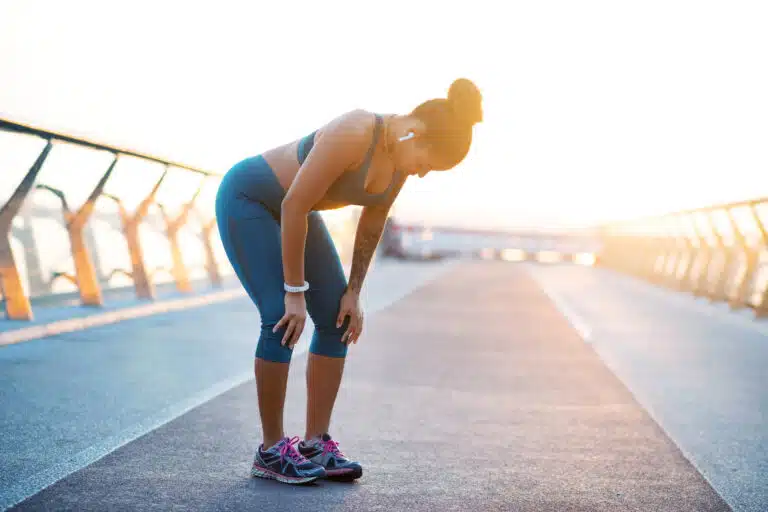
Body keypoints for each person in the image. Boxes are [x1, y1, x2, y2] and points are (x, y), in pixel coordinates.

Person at [215, 78, 483, 485]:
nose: (423, 173)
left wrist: (354, 292)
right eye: (427, 162)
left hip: (297, 213)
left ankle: (314, 444)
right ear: (415, 131)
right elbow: (293, 205)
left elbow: (373, 219)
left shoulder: (400, 157)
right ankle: (270, 451)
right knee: (280, 318)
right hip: (251, 199)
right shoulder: (356, 131)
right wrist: (294, 293)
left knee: (337, 319)